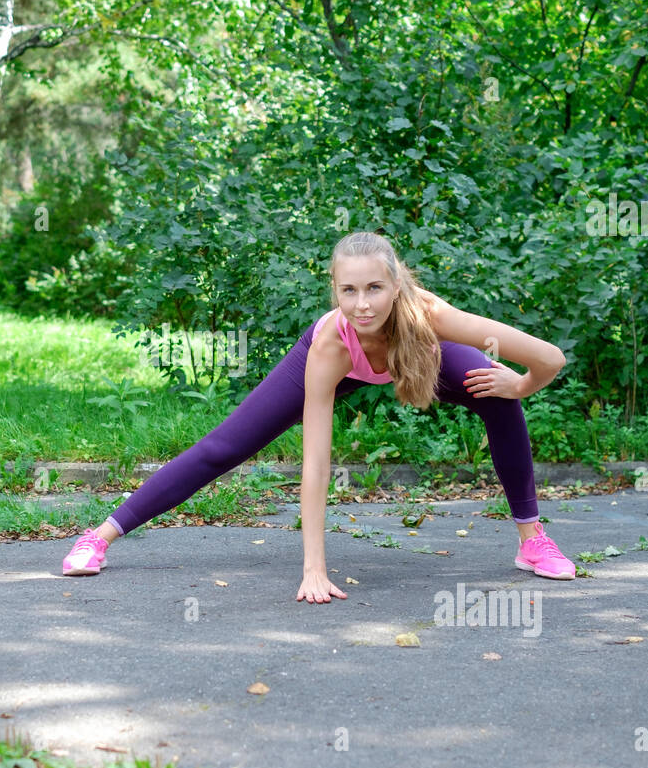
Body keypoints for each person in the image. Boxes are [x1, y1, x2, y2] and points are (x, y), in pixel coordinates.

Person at [61, 230, 575, 601]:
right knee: (227, 446)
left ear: (397, 286)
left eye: (374, 288)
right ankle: (100, 535)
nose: (362, 304)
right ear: (334, 289)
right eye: (348, 291)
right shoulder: (331, 343)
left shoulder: (432, 318)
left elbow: (549, 357)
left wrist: (521, 383)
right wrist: (313, 570)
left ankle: (532, 542)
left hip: (413, 353)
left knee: (499, 397)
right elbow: (316, 463)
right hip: (344, 362)